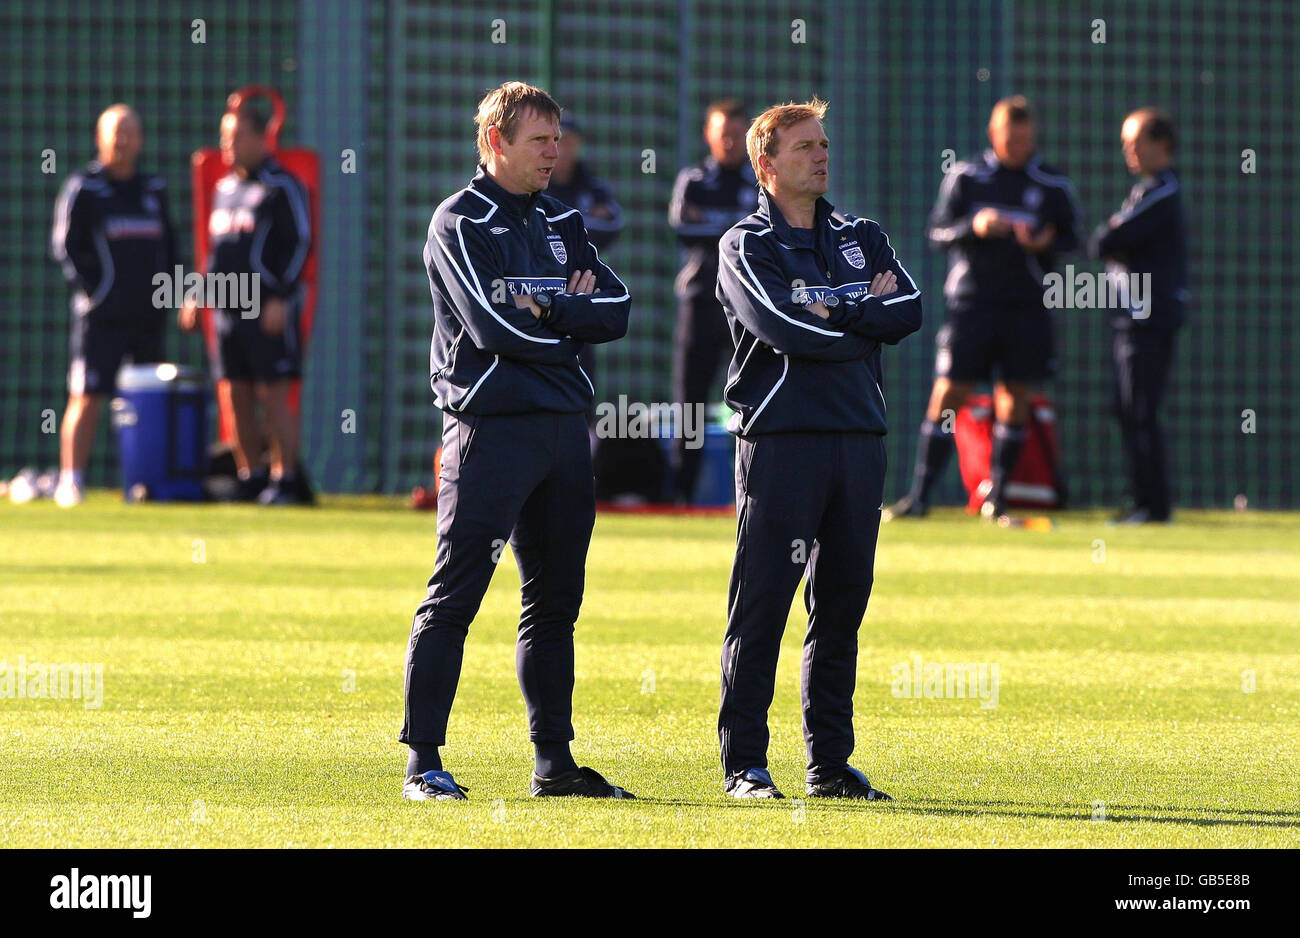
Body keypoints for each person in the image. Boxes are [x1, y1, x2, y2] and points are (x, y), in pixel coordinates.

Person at [400, 81, 634, 801]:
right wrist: (570, 312)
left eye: (556, 140)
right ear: (496, 142)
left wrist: (549, 306)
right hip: (489, 433)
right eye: (539, 140)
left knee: (556, 601)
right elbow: (490, 328)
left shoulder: (564, 219)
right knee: (455, 595)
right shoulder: (458, 222)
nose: (553, 152)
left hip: (564, 432)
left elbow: (617, 309)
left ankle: (553, 765)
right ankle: (423, 763)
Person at [715, 98, 922, 800]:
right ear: (767, 164)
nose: (822, 156)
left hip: (858, 442)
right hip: (781, 443)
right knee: (762, 605)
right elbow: (782, 327)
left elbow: (911, 308)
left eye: (824, 144)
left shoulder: (861, 234)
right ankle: (745, 764)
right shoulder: (747, 244)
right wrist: (864, 315)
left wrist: (841, 309)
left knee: (841, 607)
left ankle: (830, 765)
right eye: (805, 147)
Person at [887, 96, 1080, 523]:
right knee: (950, 392)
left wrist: (1045, 242)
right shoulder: (966, 176)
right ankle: (918, 497)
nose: (1018, 145)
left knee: (1015, 396)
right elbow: (937, 231)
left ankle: (998, 499)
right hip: (972, 304)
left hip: (1027, 306)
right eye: (1011, 138)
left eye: (1026, 138)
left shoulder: (1052, 184)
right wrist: (973, 227)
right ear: (994, 135)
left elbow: (1073, 239)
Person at [179, 99, 311, 505]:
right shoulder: (225, 188)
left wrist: (281, 298)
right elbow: (216, 251)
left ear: (260, 138)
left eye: (236, 137)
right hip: (227, 309)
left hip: (265, 307)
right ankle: (250, 475)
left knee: (272, 394)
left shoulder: (282, 186)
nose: (228, 146)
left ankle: (284, 479)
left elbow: (301, 243)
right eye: (224, 138)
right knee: (235, 395)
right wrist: (197, 291)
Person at [50, 104, 179, 507]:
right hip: (101, 318)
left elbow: (170, 248)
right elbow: (67, 247)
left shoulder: (151, 190)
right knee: (86, 395)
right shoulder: (85, 188)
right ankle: (71, 480)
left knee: (146, 399)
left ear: (141, 139)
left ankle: (144, 481)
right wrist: (97, 291)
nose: (123, 140)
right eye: (115, 132)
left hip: (147, 316)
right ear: (100, 138)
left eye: (130, 132)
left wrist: (171, 293)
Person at [1090, 108, 1188, 523]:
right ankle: (1145, 502)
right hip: (1132, 316)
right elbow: (1109, 242)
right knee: (1128, 409)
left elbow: (1105, 239)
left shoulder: (1162, 193)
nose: (1128, 150)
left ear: (1161, 145)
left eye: (1136, 141)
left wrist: (1113, 238)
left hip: (1147, 318)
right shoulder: (1145, 191)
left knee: (1140, 409)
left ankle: (1153, 506)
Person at [668, 99, 757, 503]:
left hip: (750, 308)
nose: (731, 141)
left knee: (756, 394)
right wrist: (733, 230)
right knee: (690, 403)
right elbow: (683, 226)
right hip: (702, 302)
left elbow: (762, 233)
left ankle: (756, 493)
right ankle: (680, 495)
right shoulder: (694, 179)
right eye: (723, 133)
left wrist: (717, 227)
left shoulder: (760, 180)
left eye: (738, 133)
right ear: (709, 134)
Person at [546, 114, 624, 419]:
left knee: (581, 361)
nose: (562, 150)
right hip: (542, 287)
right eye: (556, 142)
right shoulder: (536, 183)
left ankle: (584, 430)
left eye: (569, 143)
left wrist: (565, 232)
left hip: (581, 287)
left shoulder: (593, 186)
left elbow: (613, 224)